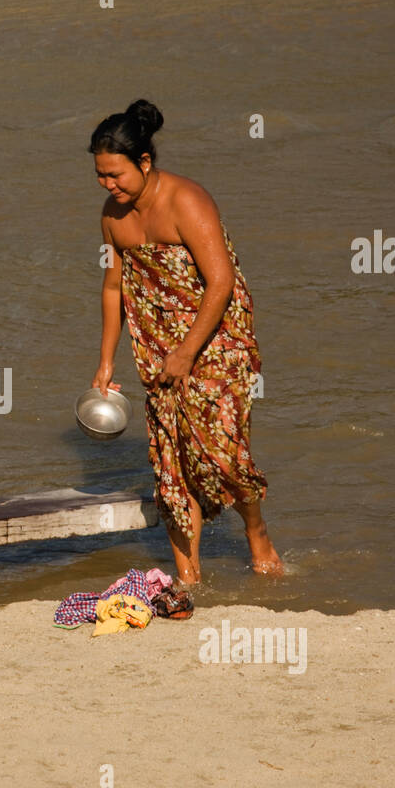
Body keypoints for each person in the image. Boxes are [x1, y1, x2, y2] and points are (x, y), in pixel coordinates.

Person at [88, 99, 283, 583]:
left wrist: (186, 352)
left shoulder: (186, 201)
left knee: (222, 452)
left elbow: (221, 283)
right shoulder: (112, 217)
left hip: (215, 340)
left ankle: (256, 531)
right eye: (100, 175)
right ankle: (188, 578)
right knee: (172, 462)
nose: (109, 185)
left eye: (116, 174)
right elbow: (114, 287)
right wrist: (106, 362)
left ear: (145, 163)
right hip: (156, 345)